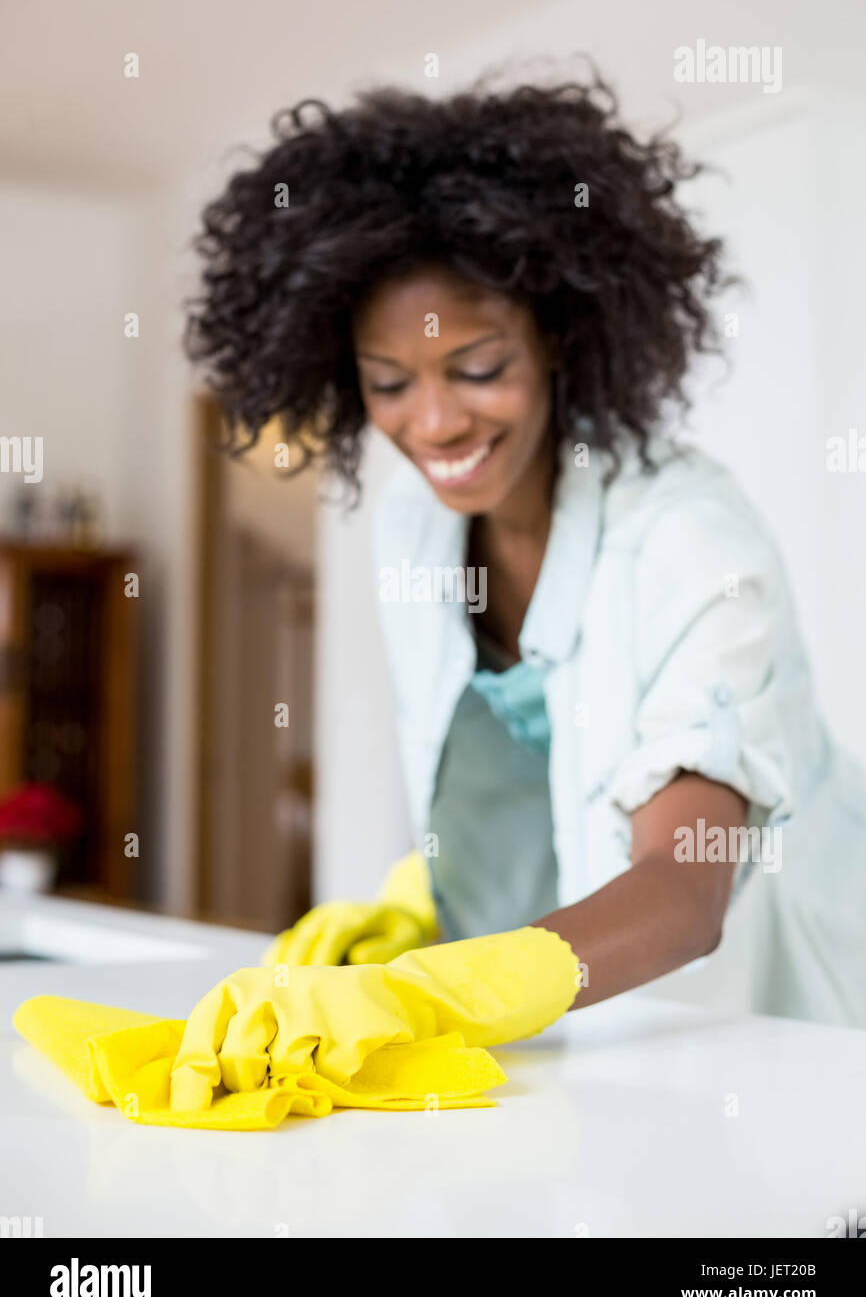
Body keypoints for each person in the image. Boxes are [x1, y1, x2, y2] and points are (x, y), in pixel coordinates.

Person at [185, 72, 866, 1034]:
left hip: (789, 1036)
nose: (434, 421)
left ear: (553, 336)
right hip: (574, 1041)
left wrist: (435, 998)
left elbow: (683, 890)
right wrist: (419, 909)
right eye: (387, 382)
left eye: (478, 368)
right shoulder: (413, 529)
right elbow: (496, 787)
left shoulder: (691, 544)